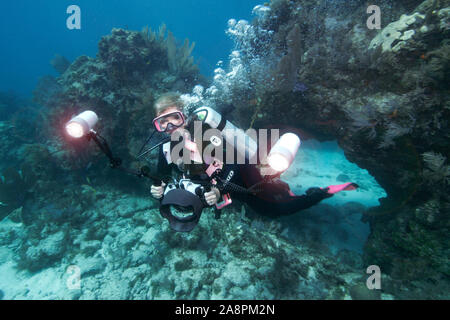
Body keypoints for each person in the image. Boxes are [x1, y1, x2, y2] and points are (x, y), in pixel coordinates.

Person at [149, 92, 358, 226]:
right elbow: (161, 177)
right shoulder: (167, 148)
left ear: (184, 116)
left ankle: (322, 193)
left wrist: (218, 190)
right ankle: (282, 188)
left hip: (243, 172)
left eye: (174, 118)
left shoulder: (204, 133)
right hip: (223, 187)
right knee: (271, 198)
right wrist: (158, 189)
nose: (170, 128)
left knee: (274, 210)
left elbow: (234, 163)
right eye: (162, 123)